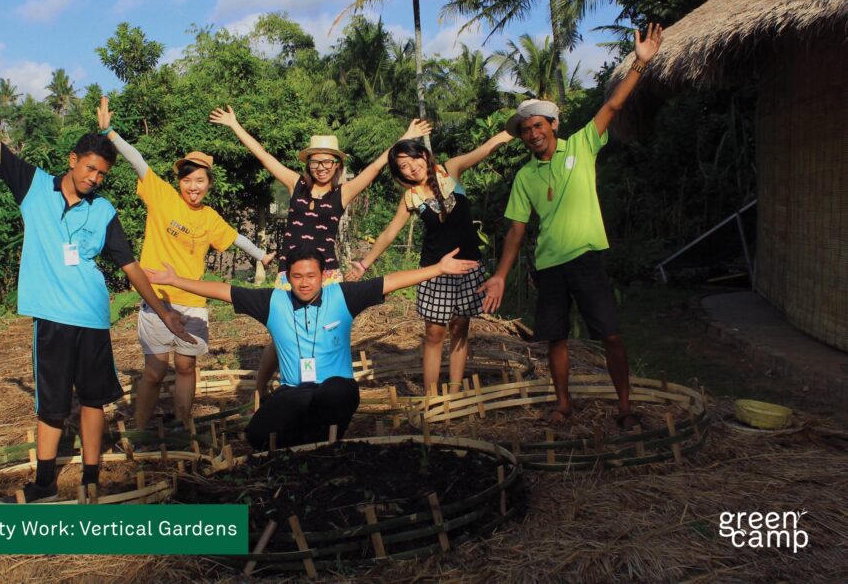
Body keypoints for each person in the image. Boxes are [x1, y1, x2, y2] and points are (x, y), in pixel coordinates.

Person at [0, 43, 194, 503]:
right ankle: (44, 485)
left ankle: (91, 478)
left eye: (103, 174)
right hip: (53, 319)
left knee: (93, 399)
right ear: (74, 159)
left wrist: (165, 311)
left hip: (92, 317)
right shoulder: (33, 187)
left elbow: (131, 267)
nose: (95, 179)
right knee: (52, 404)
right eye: (91, 168)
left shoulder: (104, 211)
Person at [478, 23, 664, 429]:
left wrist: (640, 63)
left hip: (585, 259)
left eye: (538, 125)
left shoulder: (582, 144)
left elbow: (613, 105)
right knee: (555, 338)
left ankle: (625, 407)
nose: (532, 133)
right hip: (549, 266)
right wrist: (500, 276)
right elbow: (516, 232)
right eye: (525, 130)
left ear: (552, 125)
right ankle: (563, 405)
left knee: (610, 334)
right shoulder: (524, 177)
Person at [145, 246, 479, 449]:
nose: (304, 283)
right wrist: (174, 280)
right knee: (257, 435)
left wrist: (438, 269)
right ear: (288, 277)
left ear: (323, 276)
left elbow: (390, 281)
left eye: (311, 276)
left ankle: (326, 441)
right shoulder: (273, 301)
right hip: (295, 390)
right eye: (297, 276)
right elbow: (224, 291)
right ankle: (312, 444)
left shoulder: (342, 295)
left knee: (333, 394)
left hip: (337, 386)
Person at [207, 106, 430, 397]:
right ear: (308, 164)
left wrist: (406, 136)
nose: (321, 167)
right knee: (281, 335)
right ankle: (261, 392)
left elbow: (375, 167)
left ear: (337, 165)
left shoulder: (343, 192)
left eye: (327, 162)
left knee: (327, 332)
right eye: (315, 162)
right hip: (290, 273)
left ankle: (326, 390)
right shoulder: (295, 184)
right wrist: (235, 125)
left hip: (326, 275)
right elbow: (263, 156)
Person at [95, 97, 274, 431]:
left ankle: (181, 423)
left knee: (186, 367)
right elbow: (137, 160)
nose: (193, 187)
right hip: (157, 299)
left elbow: (235, 237)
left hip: (192, 303)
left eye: (200, 180)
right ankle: (140, 429)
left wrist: (261, 255)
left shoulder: (209, 217)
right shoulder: (162, 196)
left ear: (209, 184)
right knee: (154, 370)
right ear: (180, 181)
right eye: (187, 180)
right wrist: (110, 133)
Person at [347, 126, 516, 394]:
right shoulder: (411, 197)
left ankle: (455, 390)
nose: (411, 168)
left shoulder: (451, 170)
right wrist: (364, 264)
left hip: (468, 267)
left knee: (460, 329)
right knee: (434, 334)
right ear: (399, 174)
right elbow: (390, 233)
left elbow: (485, 148)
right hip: (435, 272)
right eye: (403, 166)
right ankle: (432, 395)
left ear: (424, 155)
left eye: (414, 159)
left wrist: (515, 130)